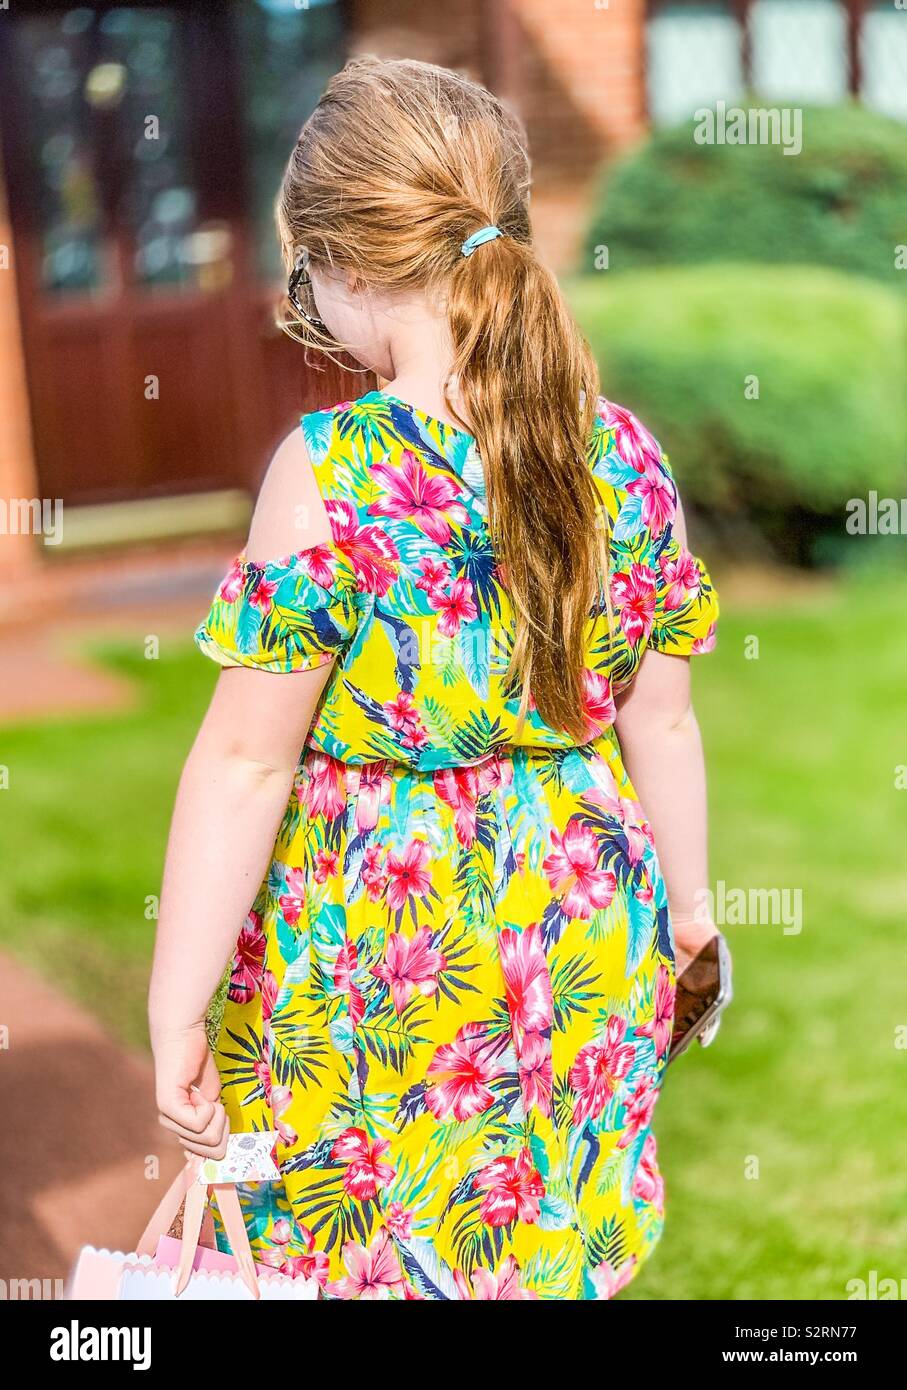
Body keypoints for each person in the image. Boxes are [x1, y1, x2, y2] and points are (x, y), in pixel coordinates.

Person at [148, 56, 720, 1302]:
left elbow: (247, 762)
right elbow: (660, 724)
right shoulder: (622, 452)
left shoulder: (330, 468)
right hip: (585, 920)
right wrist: (689, 916)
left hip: (389, 947)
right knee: (542, 1252)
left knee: (375, 1263)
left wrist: (175, 1002)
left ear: (343, 263)